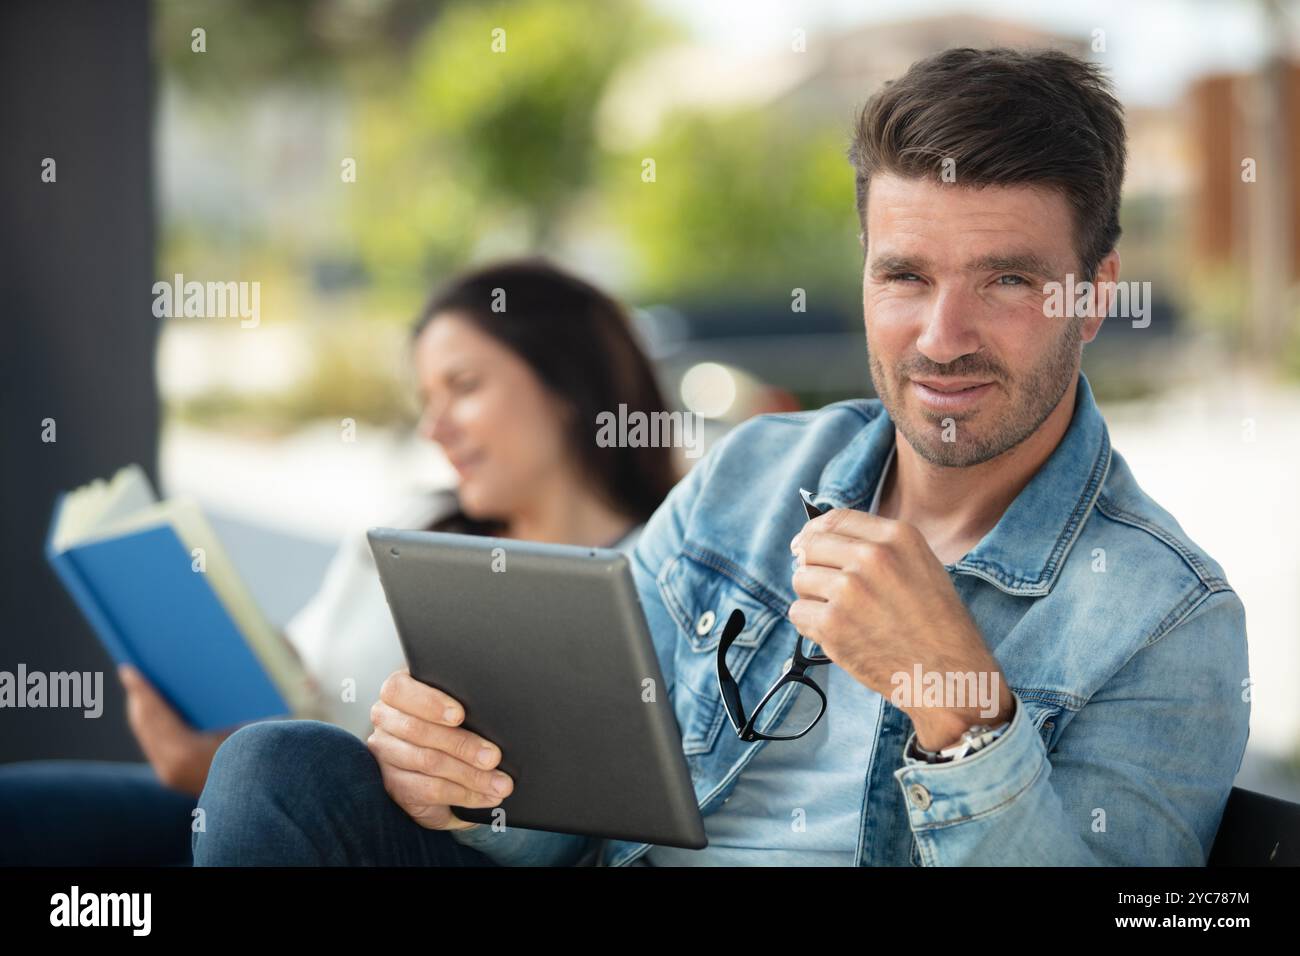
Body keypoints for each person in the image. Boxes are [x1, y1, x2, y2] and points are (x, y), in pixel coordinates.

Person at [193, 48, 1250, 868]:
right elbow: (555, 829)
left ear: (1095, 293)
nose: (941, 334)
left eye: (1007, 282)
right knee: (273, 769)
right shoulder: (751, 477)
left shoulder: (1167, 616)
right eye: (905, 275)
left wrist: (964, 714)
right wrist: (462, 778)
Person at [0, 258, 678, 865]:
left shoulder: (658, 574)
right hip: (261, 805)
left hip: (416, 842)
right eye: (427, 402)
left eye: (464, 387)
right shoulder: (415, 529)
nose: (435, 429)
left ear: (570, 382)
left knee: (268, 764)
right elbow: (300, 675)